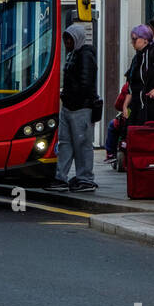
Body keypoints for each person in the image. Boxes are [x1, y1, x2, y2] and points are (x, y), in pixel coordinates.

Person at [47, 22, 99, 192]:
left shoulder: (85, 55)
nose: (67, 43)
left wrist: (71, 97)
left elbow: (86, 84)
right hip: (69, 107)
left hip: (80, 108)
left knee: (82, 144)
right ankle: (61, 177)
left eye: (69, 40)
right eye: (66, 40)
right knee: (65, 144)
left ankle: (85, 179)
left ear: (77, 39)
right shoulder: (73, 54)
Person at [125, 24, 154, 126]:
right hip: (136, 107)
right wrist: (125, 104)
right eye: (132, 39)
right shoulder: (137, 58)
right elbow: (131, 83)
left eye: (134, 39)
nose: (132, 42)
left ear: (145, 39)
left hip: (151, 108)